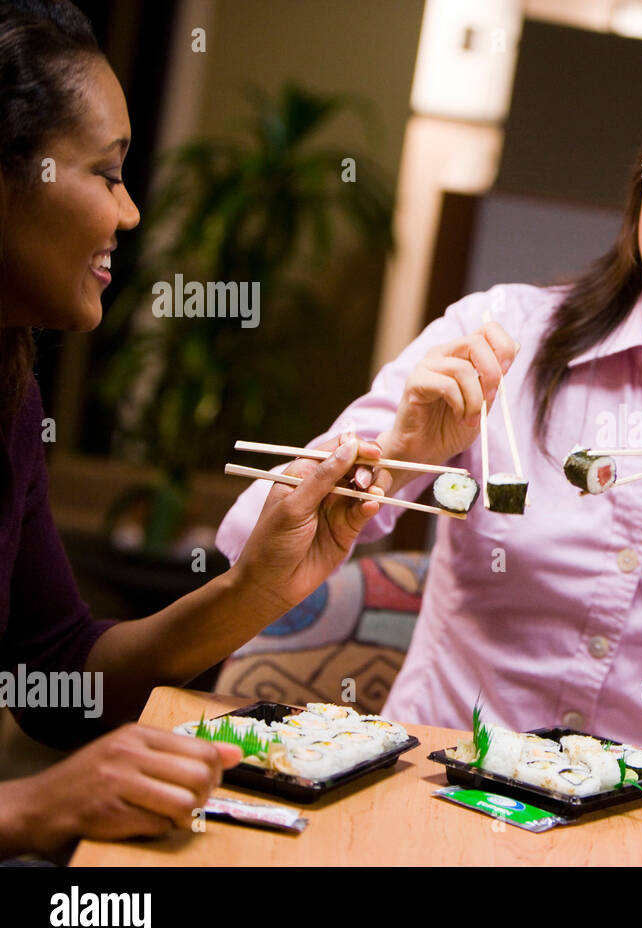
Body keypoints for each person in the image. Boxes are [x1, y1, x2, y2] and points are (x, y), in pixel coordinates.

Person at [218, 19, 642, 808]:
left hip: (639, 819)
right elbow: (246, 543)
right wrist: (397, 454)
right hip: (432, 802)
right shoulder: (496, 339)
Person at [0, 0, 381, 857]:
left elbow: (56, 677)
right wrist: (33, 811)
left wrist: (256, 589)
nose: (130, 214)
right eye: (106, 174)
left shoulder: (12, 401)